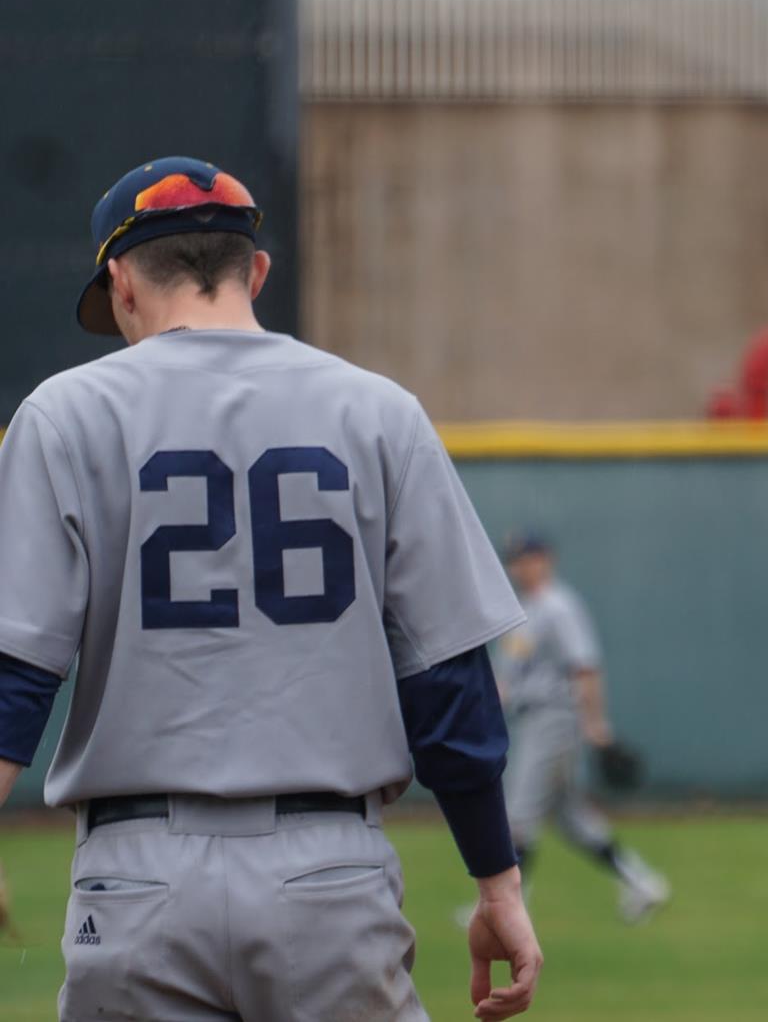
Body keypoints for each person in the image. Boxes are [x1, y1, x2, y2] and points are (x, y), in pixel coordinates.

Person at [0, 158, 543, 1020]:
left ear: (122, 282)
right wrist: (497, 880)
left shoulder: (63, 414)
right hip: (329, 874)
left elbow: (16, 675)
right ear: (255, 270)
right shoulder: (379, 411)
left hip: (134, 880)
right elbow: (447, 677)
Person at [490, 534, 668, 924]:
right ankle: (642, 882)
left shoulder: (559, 606)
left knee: (518, 816)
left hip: (554, 719)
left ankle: (507, 911)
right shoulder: (527, 609)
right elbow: (512, 676)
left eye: (526, 558)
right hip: (531, 718)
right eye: (514, 560)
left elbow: (585, 666)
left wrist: (596, 725)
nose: (518, 566)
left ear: (545, 560)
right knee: (571, 817)